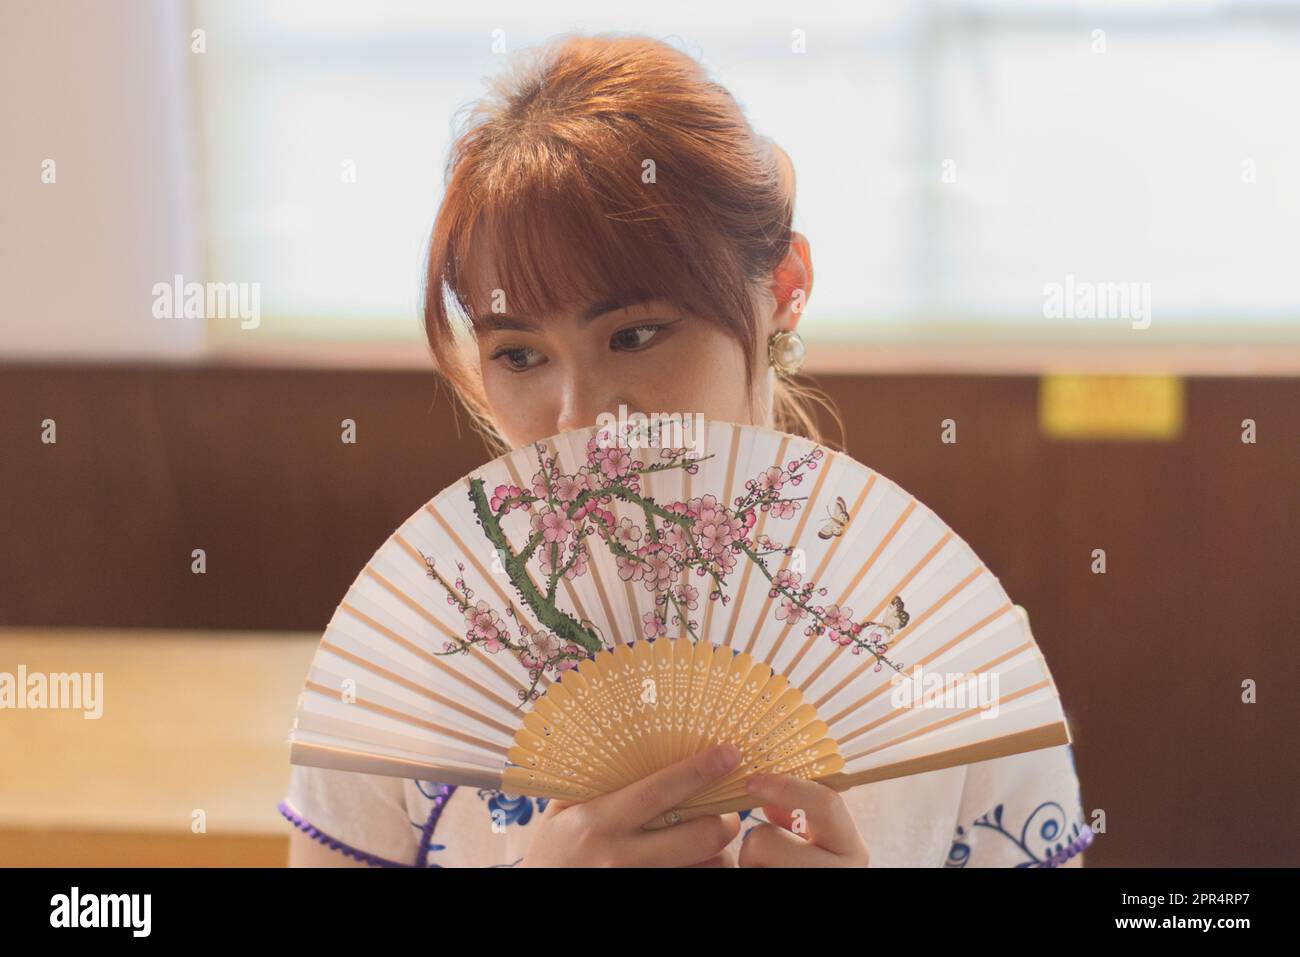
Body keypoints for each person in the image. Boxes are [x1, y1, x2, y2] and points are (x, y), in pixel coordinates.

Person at [281, 31, 1092, 868]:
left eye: (634, 334)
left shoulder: (956, 662)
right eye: (519, 354)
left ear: (783, 288)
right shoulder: (405, 670)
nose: (578, 420)